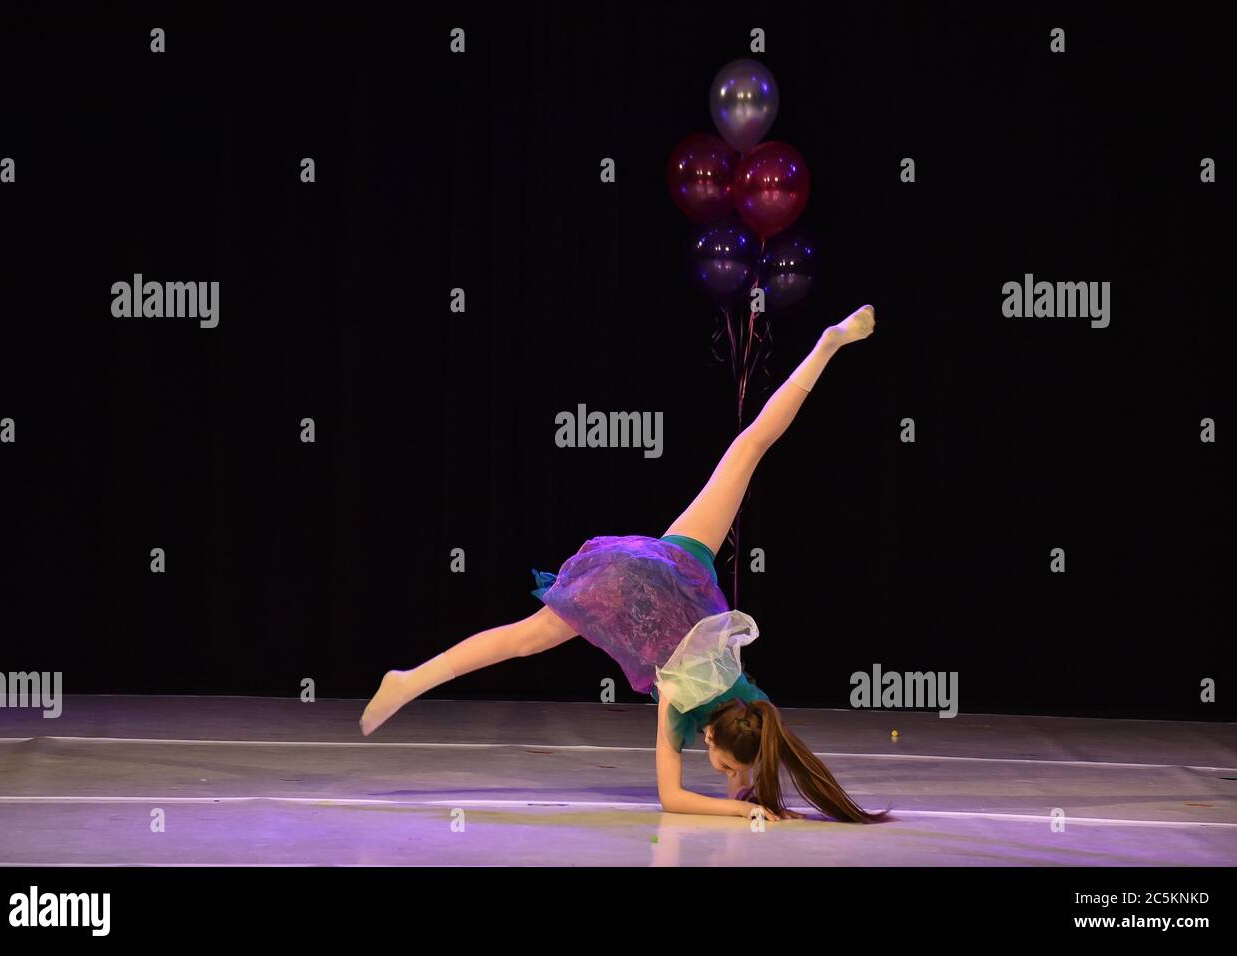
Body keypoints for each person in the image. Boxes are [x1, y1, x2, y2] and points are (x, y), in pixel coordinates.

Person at [361, 305, 889, 823]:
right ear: (710, 736)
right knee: (524, 641)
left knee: (748, 449)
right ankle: (407, 681)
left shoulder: (753, 709)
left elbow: (760, 744)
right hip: (629, 588)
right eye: (728, 769)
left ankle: (826, 344)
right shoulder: (682, 702)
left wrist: (749, 787)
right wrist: (734, 809)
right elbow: (673, 799)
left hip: (678, 566)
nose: (732, 778)